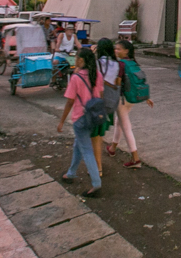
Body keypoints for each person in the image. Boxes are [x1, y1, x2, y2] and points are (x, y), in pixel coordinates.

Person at [57, 48, 103, 198]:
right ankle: (71, 173)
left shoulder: (76, 78)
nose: (75, 59)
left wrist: (62, 121)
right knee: (79, 144)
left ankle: (96, 183)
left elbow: (70, 101)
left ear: (81, 60)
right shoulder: (97, 75)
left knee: (86, 150)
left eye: (76, 57)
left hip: (80, 118)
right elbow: (100, 95)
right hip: (94, 117)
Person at [106, 40, 154, 169]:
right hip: (131, 99)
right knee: (119, 122)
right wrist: (146, 97)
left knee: (126, 126)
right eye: (115, 49)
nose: (116, 51)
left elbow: (117, 83)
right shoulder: (133, 63)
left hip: (122, 99)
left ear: (126, 51)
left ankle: (135, 158)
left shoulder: (121, 64)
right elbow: (138, 81)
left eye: (119, 49)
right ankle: (112, 148)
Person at [93, 38, 121, 173]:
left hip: (98, 104)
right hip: (111, 103)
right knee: (99, 136)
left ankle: (98, 167)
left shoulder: (97, 63)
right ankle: (97, 166)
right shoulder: (117, 64)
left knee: (95, 137)